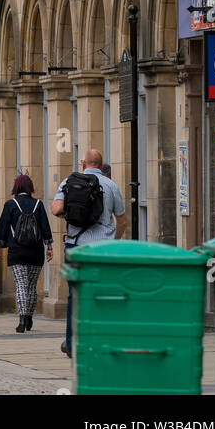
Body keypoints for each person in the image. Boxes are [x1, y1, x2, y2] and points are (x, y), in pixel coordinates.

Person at [52, 148, 127, 357]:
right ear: (102, 166)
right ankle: (101, 340)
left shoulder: (68, 182)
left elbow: (56, 209)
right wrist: (114, 240)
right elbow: (122, 220)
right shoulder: (111, 185)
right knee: (103, 294)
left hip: (75, 247)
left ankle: (71, 343)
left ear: (83, 163)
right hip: (103, 250)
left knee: (74, 295)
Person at [0, 174, 54, 333]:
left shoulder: (10, 205)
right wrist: (49, 247)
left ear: (16, 187)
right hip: (35, 252)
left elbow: (3, 227)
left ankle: (21, 320)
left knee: (21, 285)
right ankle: (29, 318)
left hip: (17, 251)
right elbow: (45, 227)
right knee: (31, 286)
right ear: (30, 188)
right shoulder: (38, 205)